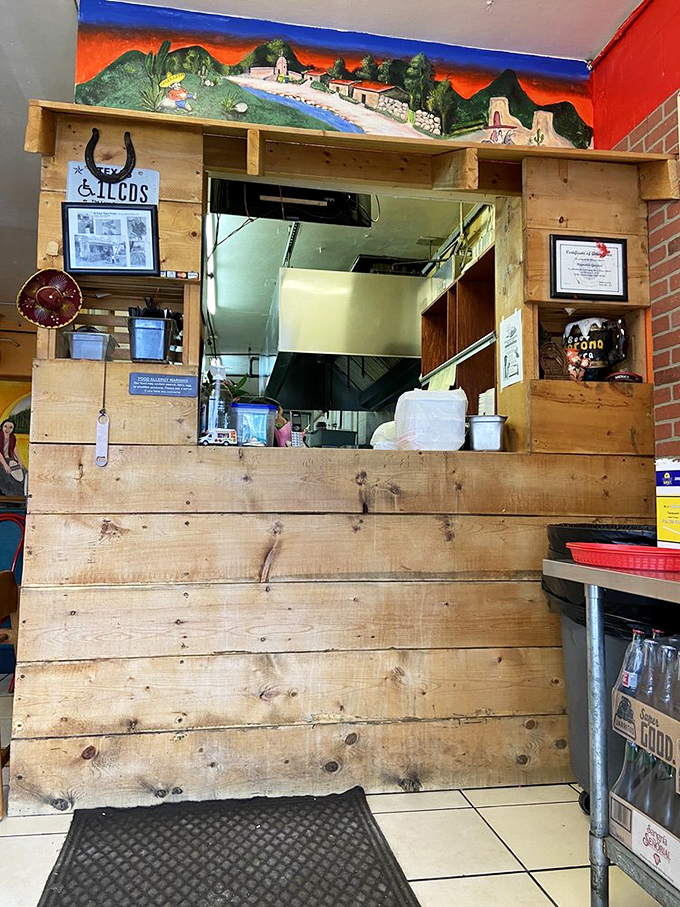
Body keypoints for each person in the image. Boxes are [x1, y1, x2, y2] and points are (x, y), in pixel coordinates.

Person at [0, 421, 25, 496]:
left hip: (7, 458)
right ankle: (7, 494)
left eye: (10, 427)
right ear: (2, 427)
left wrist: (20, 461)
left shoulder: (12, 437)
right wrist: (5, 465)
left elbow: (14, 449)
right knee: (6, 473)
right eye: (5, 426)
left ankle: (19, 495)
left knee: (22, 470)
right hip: (1, 459)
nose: (7, 429)